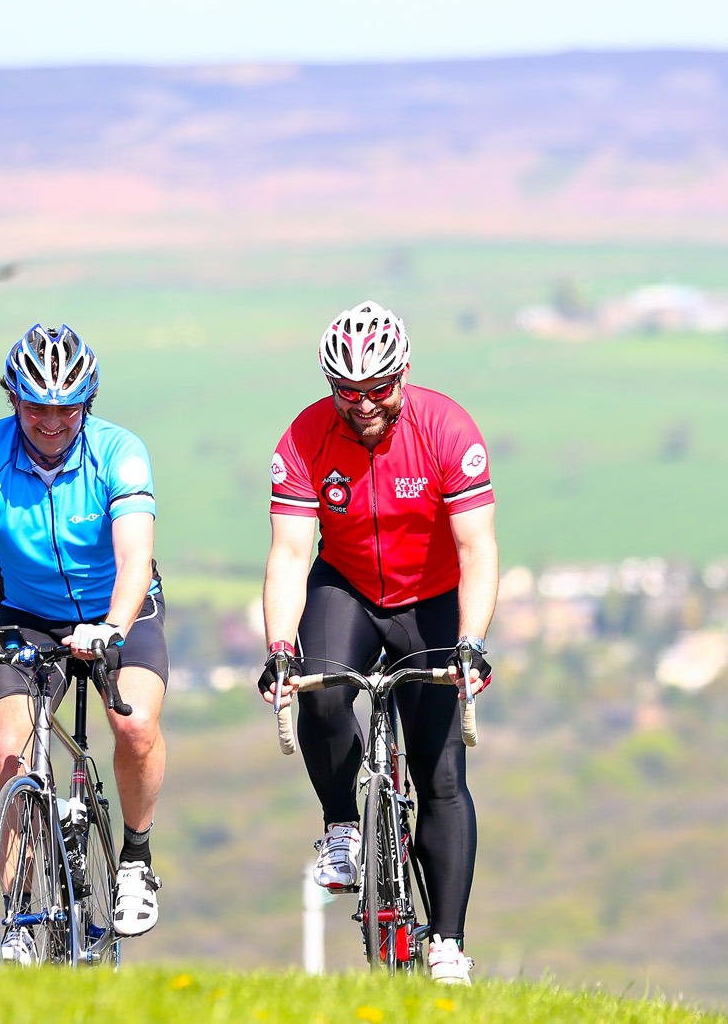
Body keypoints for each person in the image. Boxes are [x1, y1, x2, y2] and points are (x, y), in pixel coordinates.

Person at [258, 300, 497, 986]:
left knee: (440, 776)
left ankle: (447, 943)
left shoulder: (446, 429)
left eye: (378, 388)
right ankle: (342, 825)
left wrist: (471, 642)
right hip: (349, 586)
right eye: (347, 390)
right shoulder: (304, 437)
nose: (363, 404)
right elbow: (289, 554)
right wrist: (280, 648)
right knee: (320, 689)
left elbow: (477, 550)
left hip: (432, 596)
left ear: (404, 373)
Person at [0, 323, 169, 964]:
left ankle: (136, 858)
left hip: (119, 610)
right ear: (14, 399)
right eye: (37, 406)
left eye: (67, 408)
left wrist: (113, 626)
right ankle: (14, 918)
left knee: (135, 725)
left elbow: (135, 556)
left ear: (88, 402)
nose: (52, 421)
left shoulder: (120, 452)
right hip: (29, 617)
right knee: (11, 750)